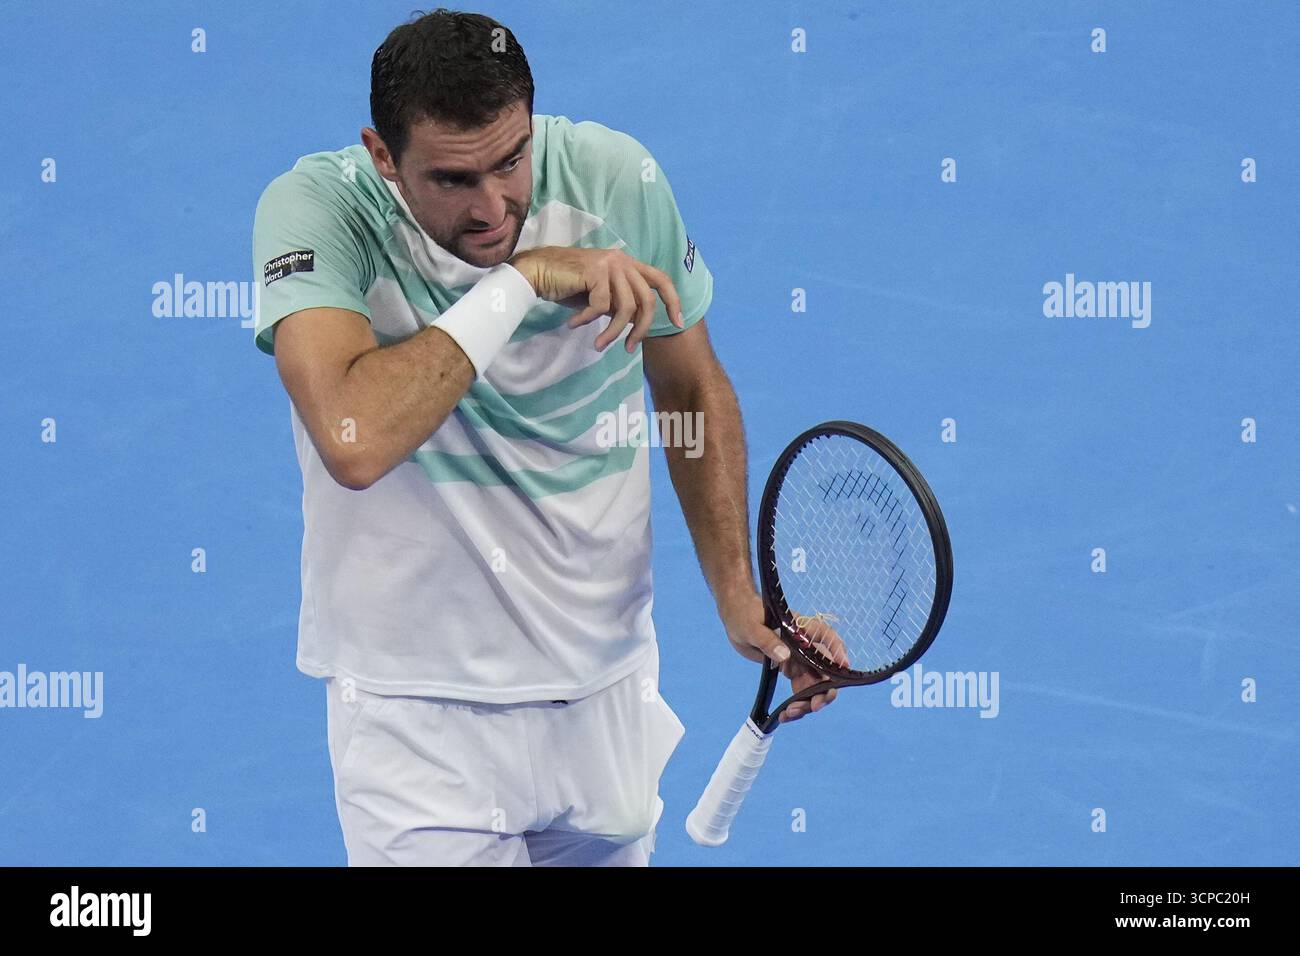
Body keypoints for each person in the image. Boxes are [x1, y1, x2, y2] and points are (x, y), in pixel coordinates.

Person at [251, 8, 836, 866]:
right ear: (384, 157)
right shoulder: (317, 209)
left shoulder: (615, 178)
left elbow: (689, 384)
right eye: (453, 180)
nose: (493, 206)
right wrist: (521, 280)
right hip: (418, 720)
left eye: (511, 160)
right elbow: (356, 439)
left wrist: (737, 597)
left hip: (603, 688)